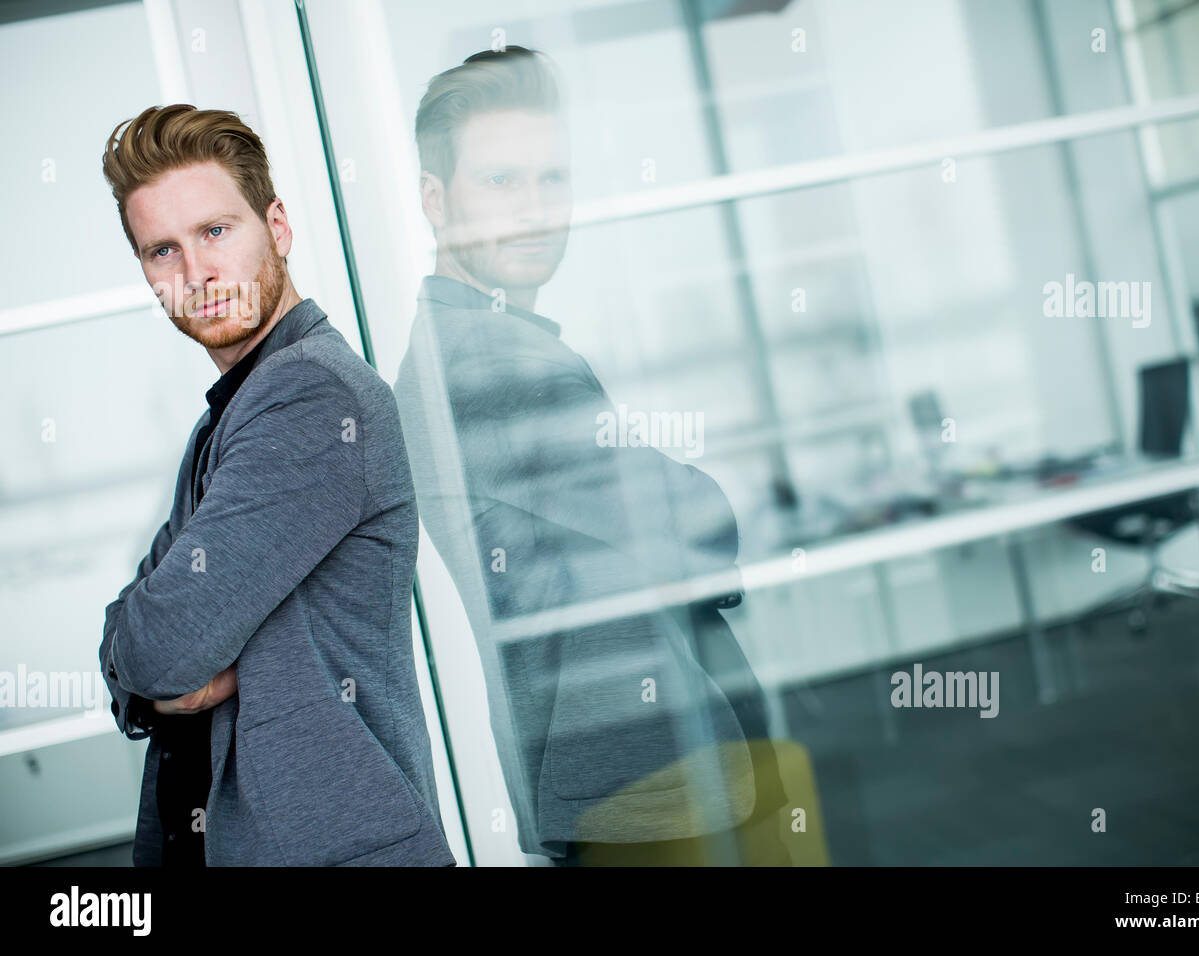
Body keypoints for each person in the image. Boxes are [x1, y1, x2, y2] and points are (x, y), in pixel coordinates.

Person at [393, 47, 789, 865]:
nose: (534, 209)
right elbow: (697, 524)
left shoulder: (465, 348)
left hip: (616, 775)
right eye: (500, 181)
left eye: (551, 179)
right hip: (645, 781)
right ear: (435, 200)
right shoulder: (496, 367)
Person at [97, 104, 455, 867]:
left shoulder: (312, 398)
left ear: (278, 226)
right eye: (163, 250)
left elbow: (157, 644)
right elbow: (136, 632)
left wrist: (156, 670)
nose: (197, 274)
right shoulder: (227, 419)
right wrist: (156, 674)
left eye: (216, 232)